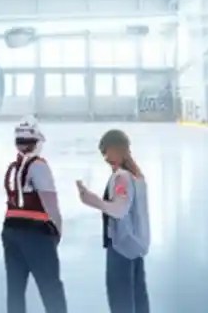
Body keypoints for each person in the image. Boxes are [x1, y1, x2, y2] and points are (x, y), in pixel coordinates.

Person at [76, 129, 151, 313]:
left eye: (106, 151)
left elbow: (119, 209)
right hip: (136, 247)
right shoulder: (138, 177)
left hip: (121, 247)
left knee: (120, 301)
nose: (105, 158)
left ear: (117, 149)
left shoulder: (122, 177)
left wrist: (91, 200)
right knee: (139, 299)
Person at [1, 117, 68, 313]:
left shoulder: (14, 168)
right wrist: (57, 232)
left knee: (15, 290)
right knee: (51, 288)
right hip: (36, 235)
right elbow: (50, 205)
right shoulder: (38, 166)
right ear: (37, 142)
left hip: (10, 231)